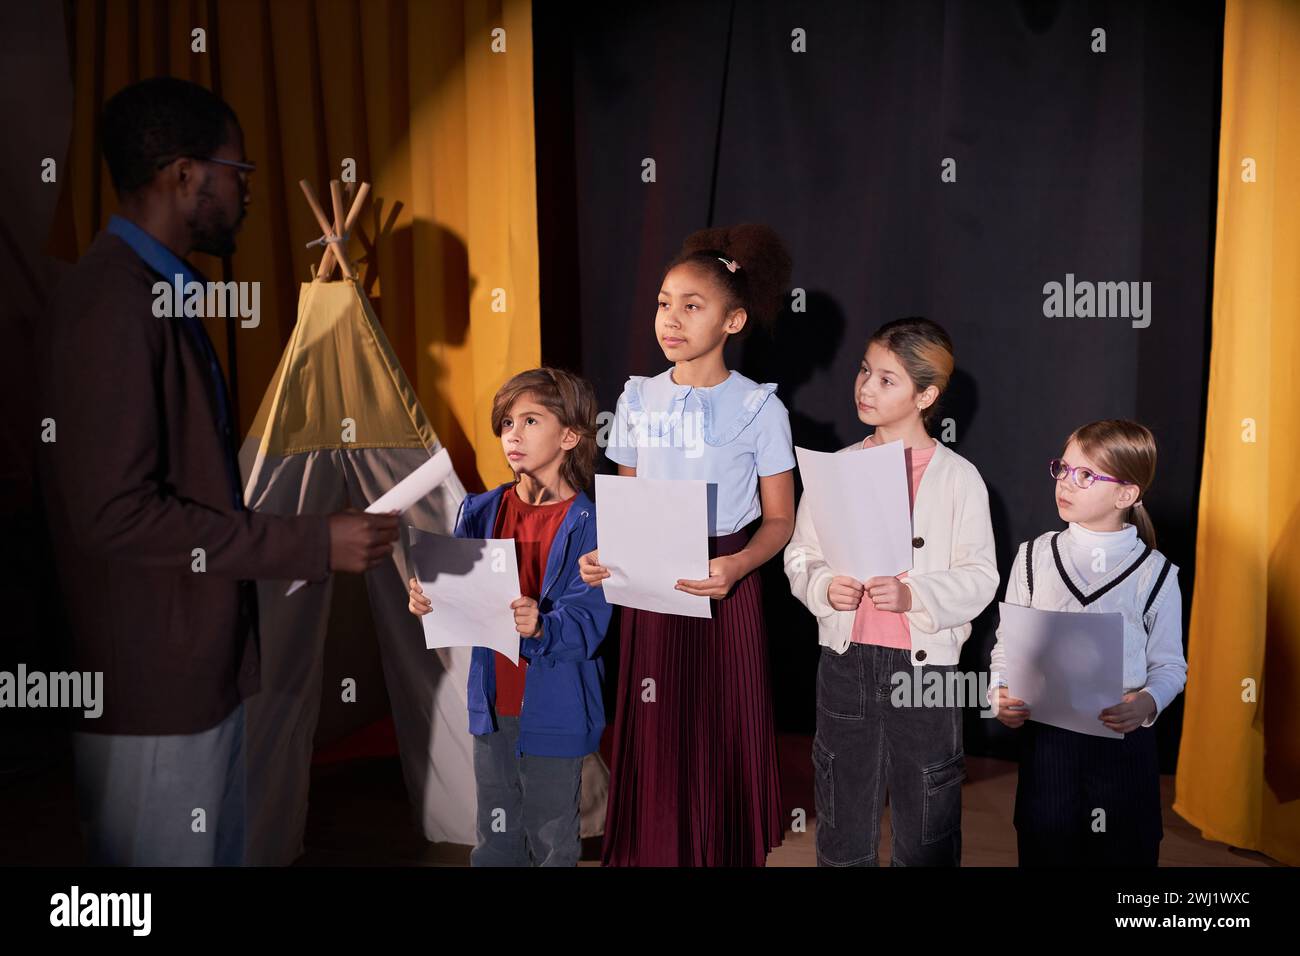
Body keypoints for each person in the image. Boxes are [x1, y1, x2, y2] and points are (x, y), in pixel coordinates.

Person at [37, 77, 397, 866]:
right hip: (152, 686)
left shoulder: (156, 295)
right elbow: (115, 515)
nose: (246, 194)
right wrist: (312, 543)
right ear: (183, 174)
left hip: (192, 673)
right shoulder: (112, 304)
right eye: (241, 172)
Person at [582, 224, 797, 866]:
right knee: (655, 728)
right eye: (663, 302)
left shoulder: (760, 408)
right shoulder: (637, 397)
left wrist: (736, 565)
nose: (670, 319)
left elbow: (780, 521)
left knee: (719, 730)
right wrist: (605, 556)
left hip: (723, 584)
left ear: (734, 320)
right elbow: (627, 504)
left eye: (691, 305)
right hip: (651, 588)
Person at [784, 317, 998, 866]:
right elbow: (800, 554)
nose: (865, 387)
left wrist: (915, 596)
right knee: (840, 808)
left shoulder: (958, 478)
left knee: (928, 815)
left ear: (926, 395)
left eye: (887, 379)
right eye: (864, 371)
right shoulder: (838, 469)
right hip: (846, 664)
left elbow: (981, 576)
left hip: (924, 674)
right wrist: (824, 586)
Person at [409, 368, 611, 866]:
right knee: (496, 837)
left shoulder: (594, 523)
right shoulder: (479, 510)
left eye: (529, 421)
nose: (512, 434)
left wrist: (543, 626)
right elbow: (462, 594)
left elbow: (589, 623)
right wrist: (431, 598)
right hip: (493, 703)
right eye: (505, 424)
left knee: (551, 839)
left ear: (569, 436)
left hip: (557, 710)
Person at [991, 420, 1186, 866]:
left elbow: (1171, 666)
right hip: (1049, 746)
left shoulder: (1154, 574)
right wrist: (998, 693)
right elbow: (1008, 645)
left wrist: (1147, 703)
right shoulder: (1033, 557)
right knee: (1045, 850)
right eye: (1063, 469)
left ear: (1126, 495)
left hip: (1122, 747)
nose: (1066, 483)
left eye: (1086, 476)